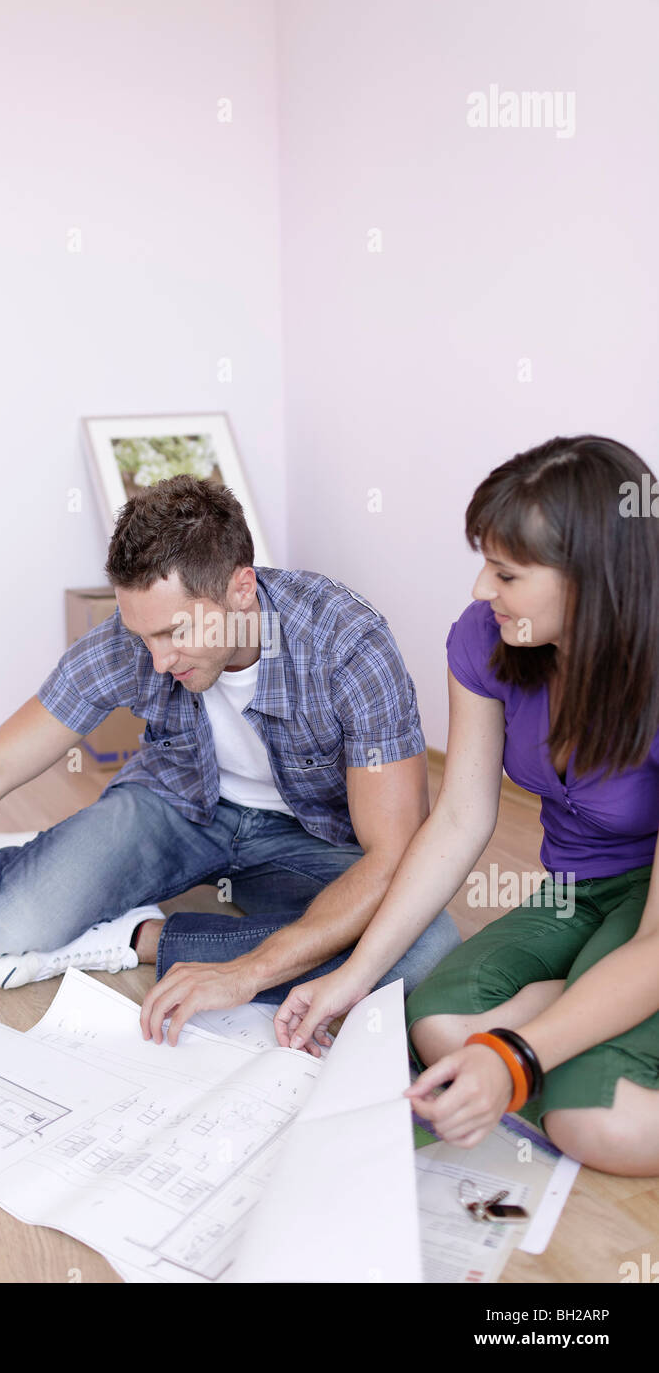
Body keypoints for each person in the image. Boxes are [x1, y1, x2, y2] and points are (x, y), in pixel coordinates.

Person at [0, 475, 460, 1048]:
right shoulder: (133, 638)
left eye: (176, 633)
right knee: (2, 923)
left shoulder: (347, 642)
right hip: (176, 809)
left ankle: (139, 935)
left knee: (425, 950)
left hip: (305, 842)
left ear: (241, 589)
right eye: (141, 634)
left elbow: (392, 854)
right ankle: (41, 858)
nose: (158, 660)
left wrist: (246, 973)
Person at [274, 434, 659, 1176]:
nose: (483, 588)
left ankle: (581, 1019)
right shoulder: (486, 639)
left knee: (595, 1120)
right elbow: (459, 817)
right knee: (437, 1024)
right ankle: (585, 1004)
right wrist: (352, 975)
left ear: (589, 577)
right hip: (578, 891)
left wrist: (515, 1059)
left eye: (507, 572)